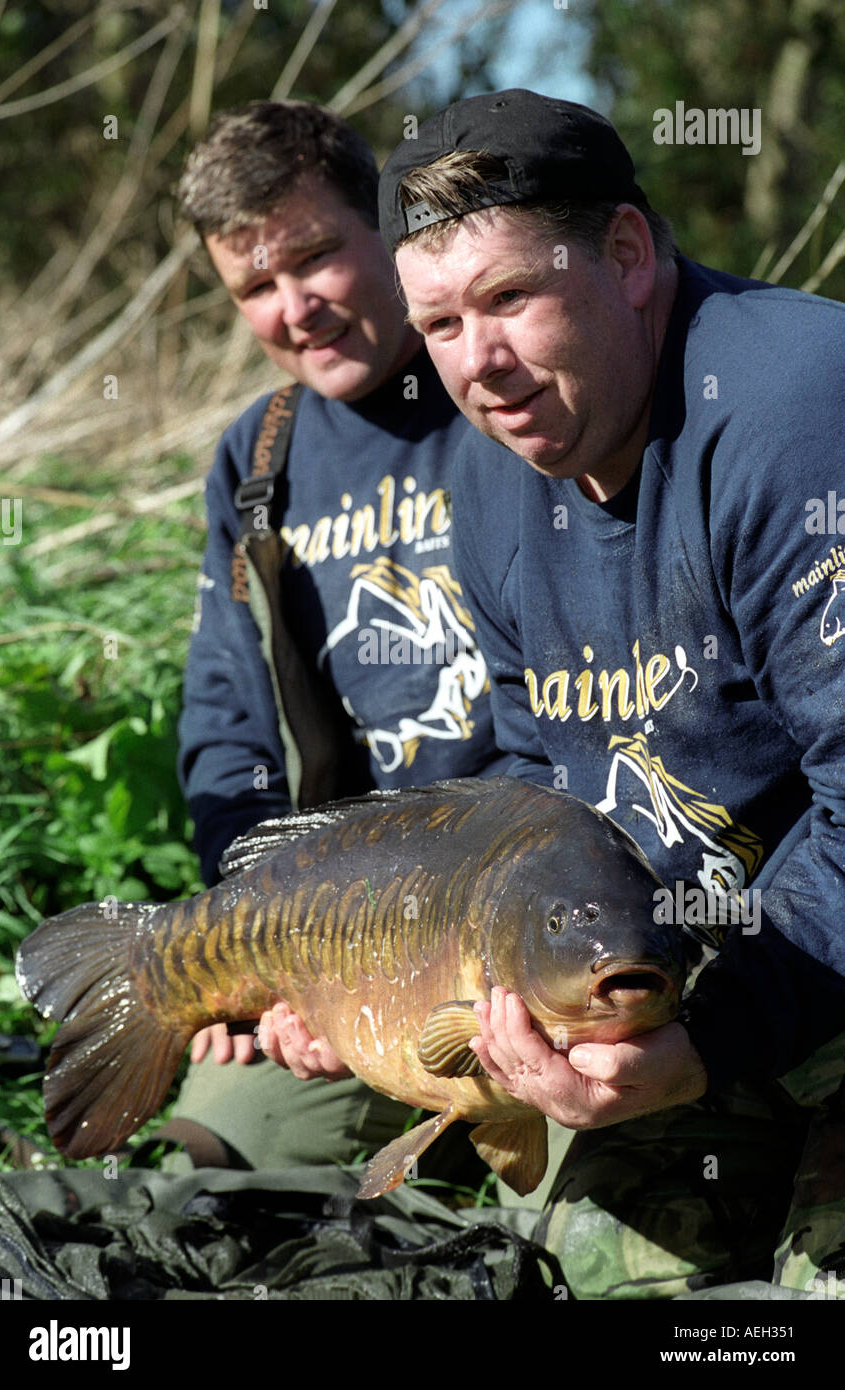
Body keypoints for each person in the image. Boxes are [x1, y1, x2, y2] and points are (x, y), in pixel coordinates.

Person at [377, 88, 845, 1297]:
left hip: (799, 964)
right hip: (682, 974)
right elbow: (542, 788)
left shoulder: (797, 412)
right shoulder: (491, 478)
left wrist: (709, 1040)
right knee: (597, 1278)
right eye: (436, 322)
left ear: (628, 255)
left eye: (508, 298)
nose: (476, 364)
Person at [164, 99, 506, 1176]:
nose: (294, 308)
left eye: (314, 258)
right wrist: (251, 948)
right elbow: (227, 726)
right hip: (332, 921)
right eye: (254, 288)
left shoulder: (503, 395)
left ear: (391, 229)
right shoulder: (254, 461)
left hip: (512, 895)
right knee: (204, 1175)